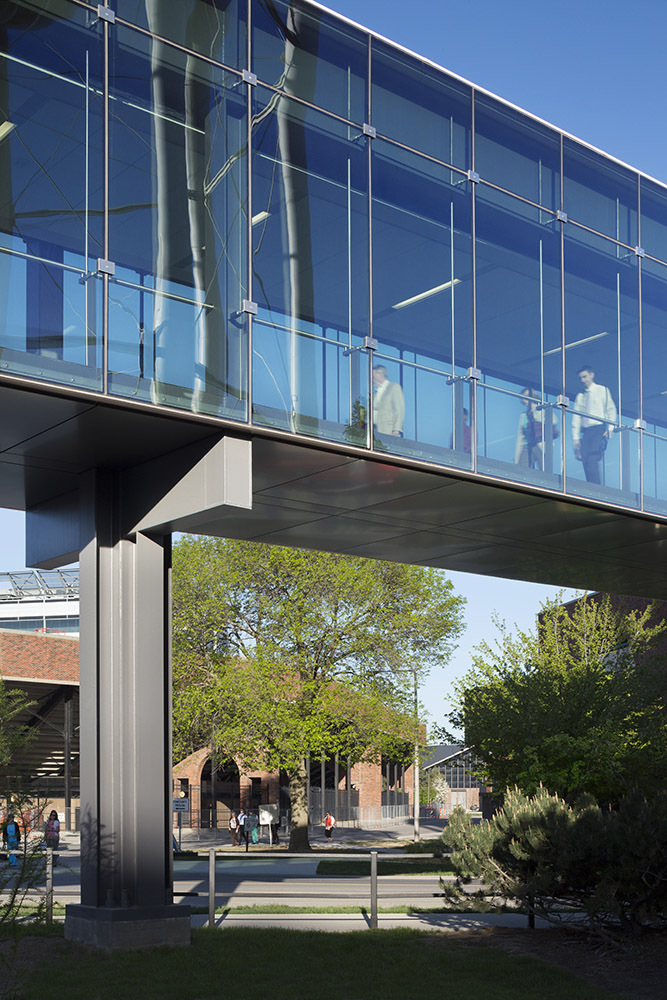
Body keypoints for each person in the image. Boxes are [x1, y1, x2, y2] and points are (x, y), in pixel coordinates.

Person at [571, 365, 617, 484]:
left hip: (598, 428)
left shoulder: (602, 390)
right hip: (586, 431)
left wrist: (610, 427)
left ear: (592, 375)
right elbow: (576, 417)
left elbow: (610, 409)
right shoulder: (580, 396)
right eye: (581, 378)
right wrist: (575, 437)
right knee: (585, 458)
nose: (583, 380)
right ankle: (590, 485)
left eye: (585, 376)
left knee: (592, 457)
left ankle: (596, 486)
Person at [515, 388, 558, 468]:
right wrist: (516, 458)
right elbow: (520, 436)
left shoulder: (542, 409)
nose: (524, 399)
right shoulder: (523, 415)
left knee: (544, 471)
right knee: (522, 470)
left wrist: (535, 411)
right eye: (523, 397)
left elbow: (554, 421)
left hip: (540, 444)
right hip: (526, 446)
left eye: (526, 396)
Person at [372, 366, 404, 437]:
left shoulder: (393, 387)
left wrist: (396, 430)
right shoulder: (375, 394)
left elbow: (399, 409)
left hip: (388, 431)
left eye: (374, 375)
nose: (372, 378)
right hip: (376, 432)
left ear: (381, 374)